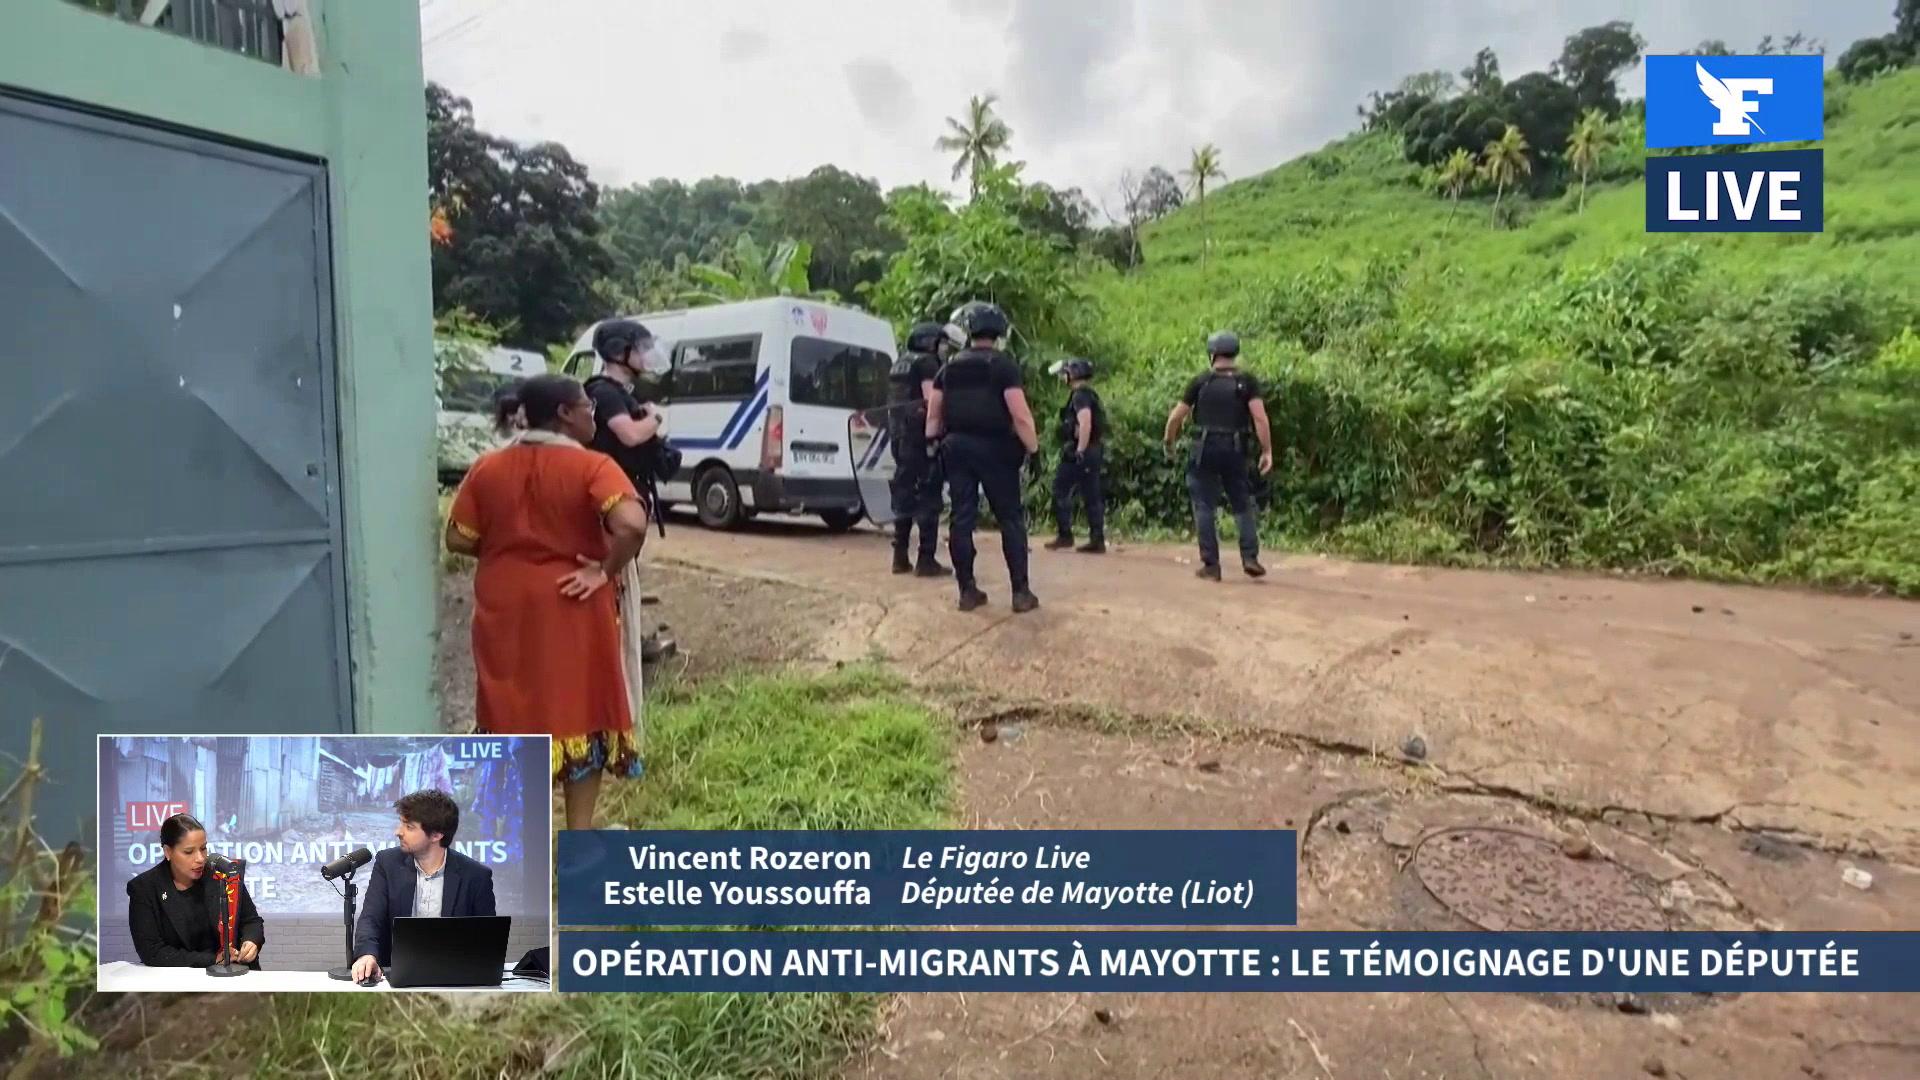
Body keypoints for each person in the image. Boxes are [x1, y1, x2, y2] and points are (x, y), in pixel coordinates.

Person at [444, 374, 650, 832]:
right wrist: (604, 568)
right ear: (564, 414)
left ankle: (524, 842)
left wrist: (510, 552)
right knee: (582, 717)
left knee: (513, 716)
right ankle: (578, 837)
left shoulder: (488, 467)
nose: (592, 414)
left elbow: (457, 537)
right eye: (586, 407)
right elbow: (632, 524)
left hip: (504, 610)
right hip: (574, 607)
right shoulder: (594, 467)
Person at [926, 301, 1041, 613]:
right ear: (999, 334)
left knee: (961, 518)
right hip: (996, 450)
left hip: (957, 449)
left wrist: (932, 445)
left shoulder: (947, 368)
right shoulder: (1003, 366)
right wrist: (1034, 449)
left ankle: (967, 591)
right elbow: (1020, 416)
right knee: (1010, 519)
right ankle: (1020, 593)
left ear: (969, 332)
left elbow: (934, 416)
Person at [581, 319, 675, 663]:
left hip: (625, 491)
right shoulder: (605, 392)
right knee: (614, 568)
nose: (647, 355)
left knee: (623, 572)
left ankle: (622, 640)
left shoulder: (618, 394)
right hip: (613, 497)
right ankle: (612, 647)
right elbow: (630, 436)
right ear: (619, 352)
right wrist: (656, 419)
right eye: (640, 348)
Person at [349, 790, 498, 983]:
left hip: (455, 980)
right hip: (394, 978)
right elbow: (371, 918)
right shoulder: (387, 863)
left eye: (409, 826)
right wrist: (366, 955)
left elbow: (487, 941)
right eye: (401, 823)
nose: (398, 831)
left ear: (436, 834)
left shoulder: (476, 876)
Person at [1163, 331, 1274, 581]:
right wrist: (1267, 450)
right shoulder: (1247, 382)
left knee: (1204, 506)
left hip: (1204, 449)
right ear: (1235, 353)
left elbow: (1176, 417)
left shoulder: (1200, 381)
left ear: (1212, 355)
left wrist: (1169, 440)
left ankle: (1211, 565)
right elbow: (1259, 417)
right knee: (1241, 503)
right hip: (1235, 449)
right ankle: (1250, 557)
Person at [125, 813, 265, 969]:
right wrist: (211, 959)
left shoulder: (223, 874)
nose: (200, 858)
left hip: (234, 972)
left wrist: (251, 940)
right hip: (183, 981)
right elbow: (152, 952)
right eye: (189, 852)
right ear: (168, 852)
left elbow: (251, 921)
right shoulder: (144, 889)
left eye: (203, 848)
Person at [886, 321, 951, 577]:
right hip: (921, 439)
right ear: (929, 342)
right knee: (929, 496)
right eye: (940, 342)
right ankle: (926, 559)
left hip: (899, 438)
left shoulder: (900, 363)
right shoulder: (927, 363)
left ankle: (899, 558)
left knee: (903, 495)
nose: (942, 348)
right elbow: (931, 399)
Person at [1044, 357, 1107, 555]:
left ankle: (1065, 534)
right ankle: (1096, 539)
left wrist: (1079, 450)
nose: (1064, 376)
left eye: (1067, 372)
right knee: (1091, 494)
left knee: (1060, 489)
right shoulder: (1088, 394)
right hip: (1092, 450)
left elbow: (1085, 422)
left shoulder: (1080, 396)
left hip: (1082, 450)